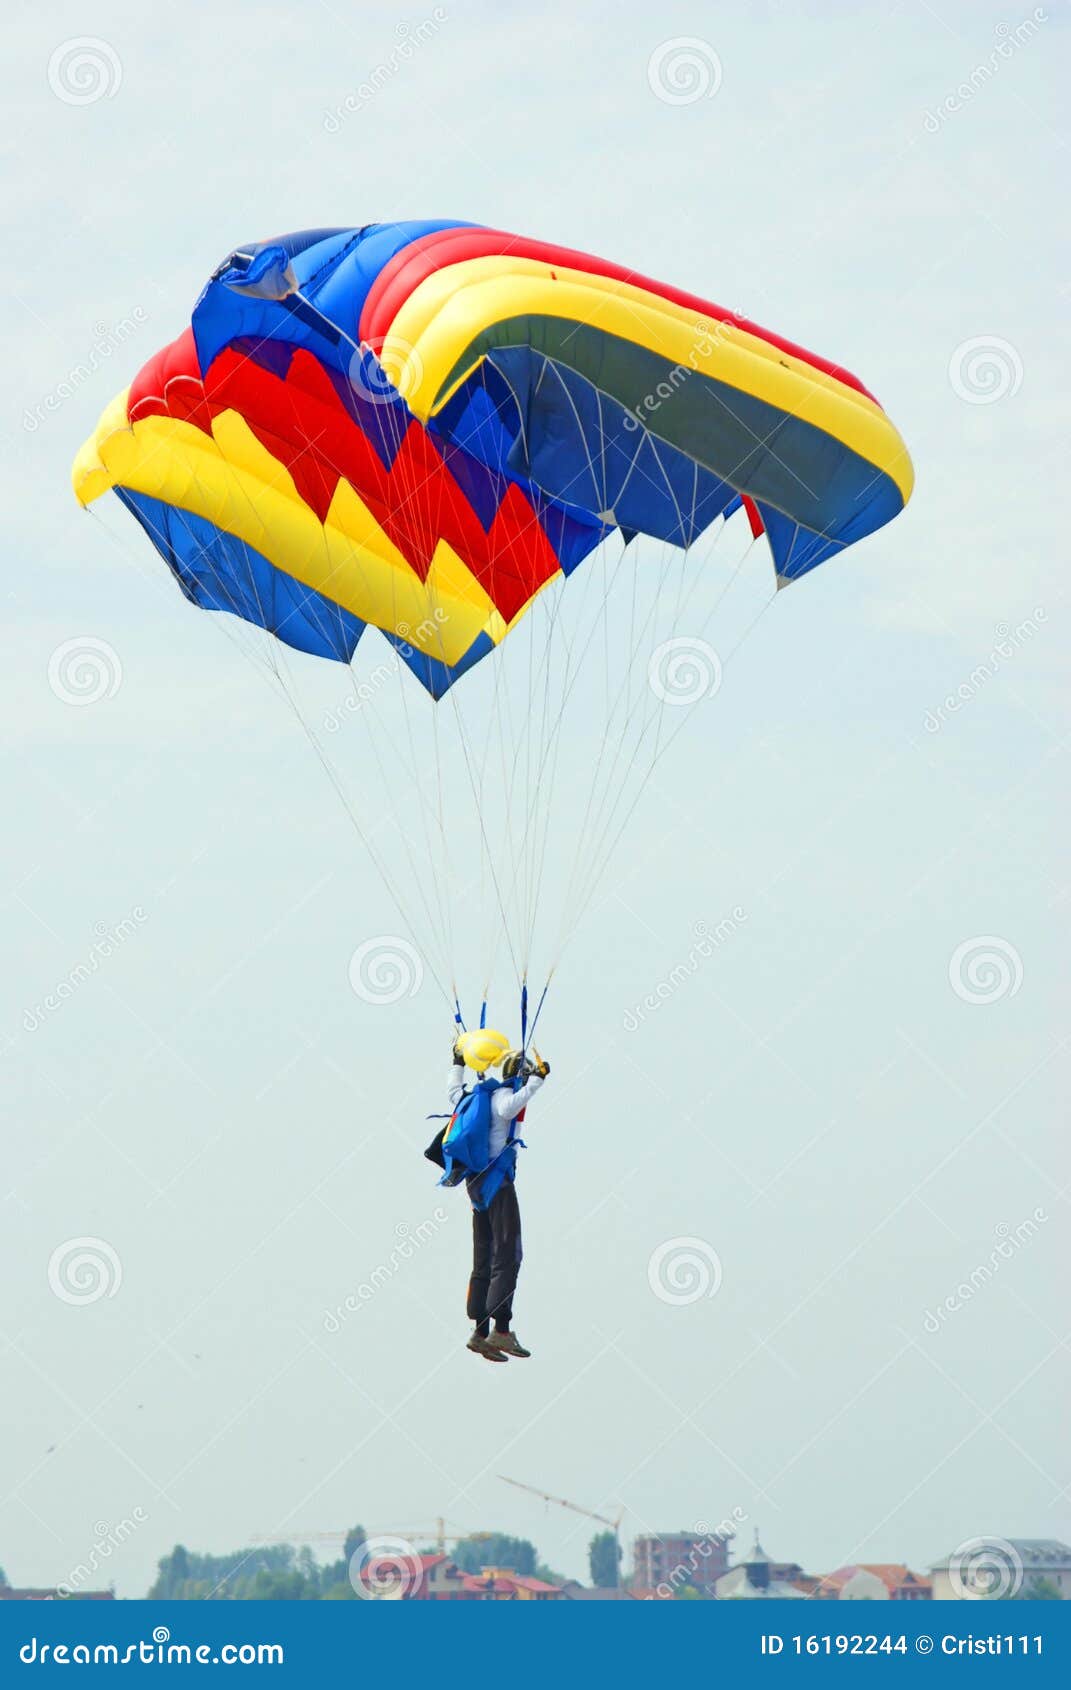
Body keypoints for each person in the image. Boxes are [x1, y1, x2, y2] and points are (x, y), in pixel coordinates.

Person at [446, 1039, 549, 1363]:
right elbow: (510, 1106)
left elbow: (452, 1091)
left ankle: (480, 1330)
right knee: (508, 1254)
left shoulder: (473, 1097)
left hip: (476, 1188)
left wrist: (457, 1061)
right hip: (497, 1186)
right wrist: (538, 1080)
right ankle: (501, 1329)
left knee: (485, 1256)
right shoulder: (503, 1097)